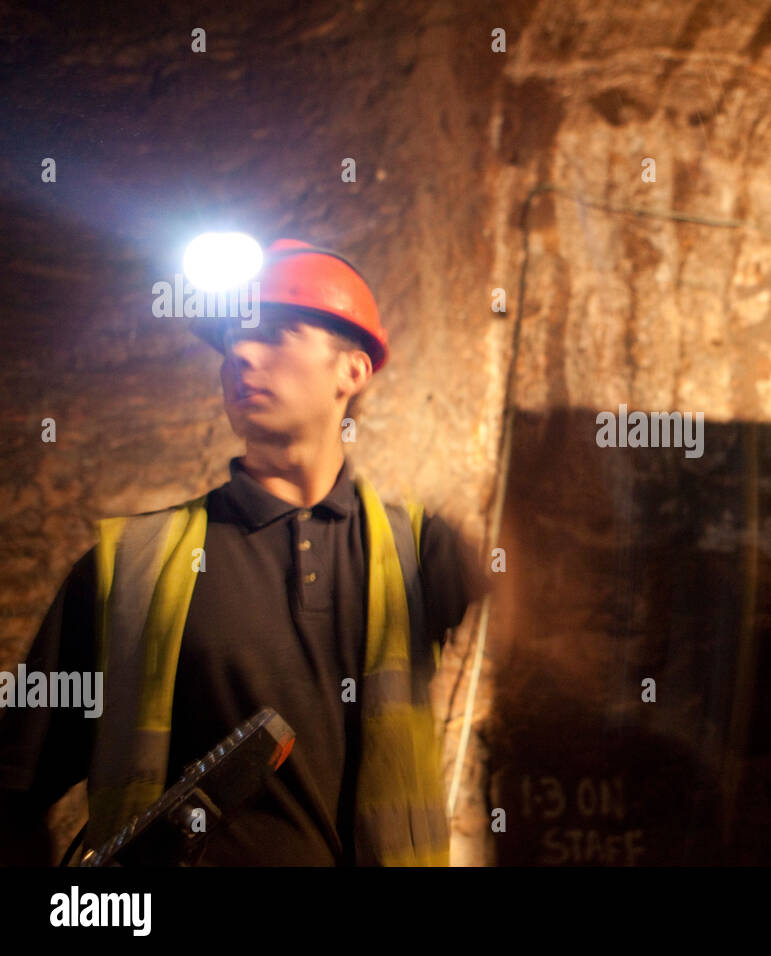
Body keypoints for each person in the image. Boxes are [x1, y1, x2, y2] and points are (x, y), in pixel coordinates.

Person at [0, 239, 488, 866]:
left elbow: (568, 627)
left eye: (276, 332)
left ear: (353, 370)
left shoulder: (425, 552)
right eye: (233, 334)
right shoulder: (128, 569)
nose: (239, 351)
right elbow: (12, 789)